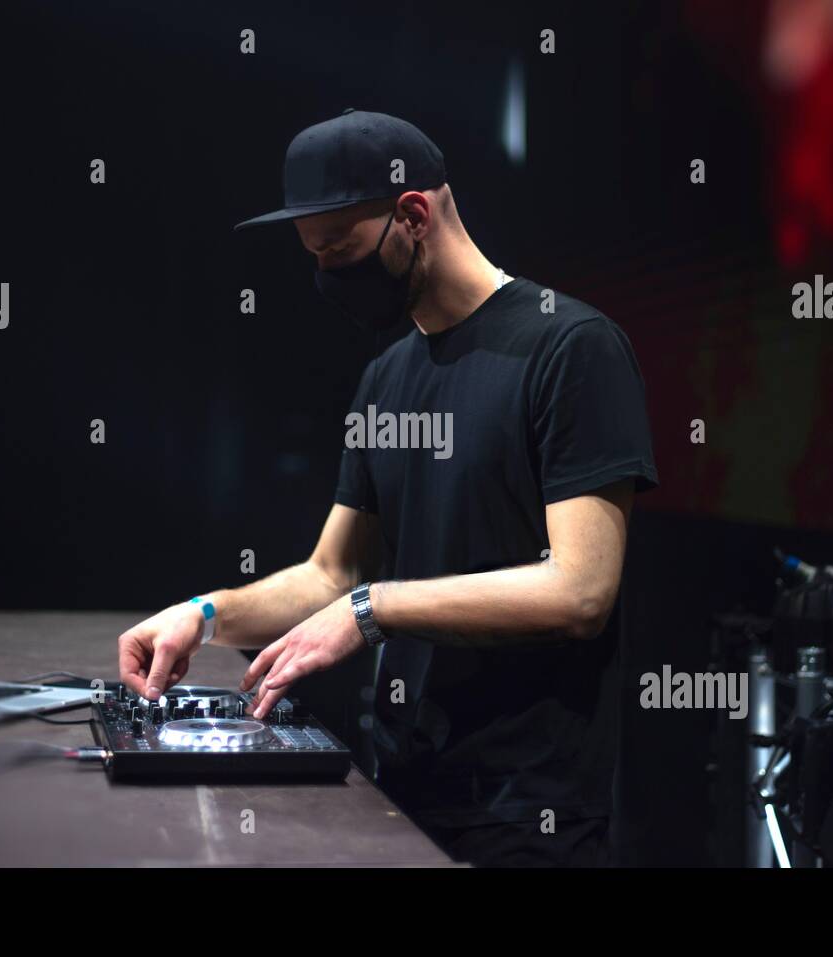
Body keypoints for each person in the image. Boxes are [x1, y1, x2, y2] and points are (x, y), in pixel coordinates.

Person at [117, 109, 658, 866]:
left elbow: (581, 590)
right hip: (400, 791)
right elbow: (329, 575)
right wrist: (202, 615)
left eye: (340, 250)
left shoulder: (570, 350)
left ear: (413, 215)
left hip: (529, 814)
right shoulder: (385, 378)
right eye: (315, 256)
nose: (328, 276)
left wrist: (376, 608)